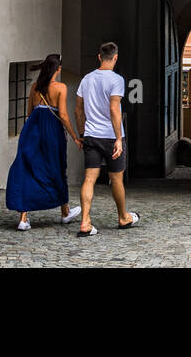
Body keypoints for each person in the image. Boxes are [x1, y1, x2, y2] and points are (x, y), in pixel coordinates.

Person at [5, 53, 82, 231]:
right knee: (56, 167)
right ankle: (64, 212)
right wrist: (74, 136)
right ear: (58, 69)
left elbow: (29, 113)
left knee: (27, 168)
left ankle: (23, 218)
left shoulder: (34, 87)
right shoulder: (61, 87)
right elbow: (63, 115)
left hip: (32, 131)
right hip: (52, 133)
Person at [73, 42, 139, 236]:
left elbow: (78, 110)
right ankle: (123, 217)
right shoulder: (116, 80)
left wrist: (82, 134)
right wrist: (118, 138)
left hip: (91, 135)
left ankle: (85, 222)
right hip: (110, 136)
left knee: (89, 179)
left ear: (99, 57)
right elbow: (114, 108)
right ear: (115, 57)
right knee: (116, 178)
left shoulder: (86, 79)